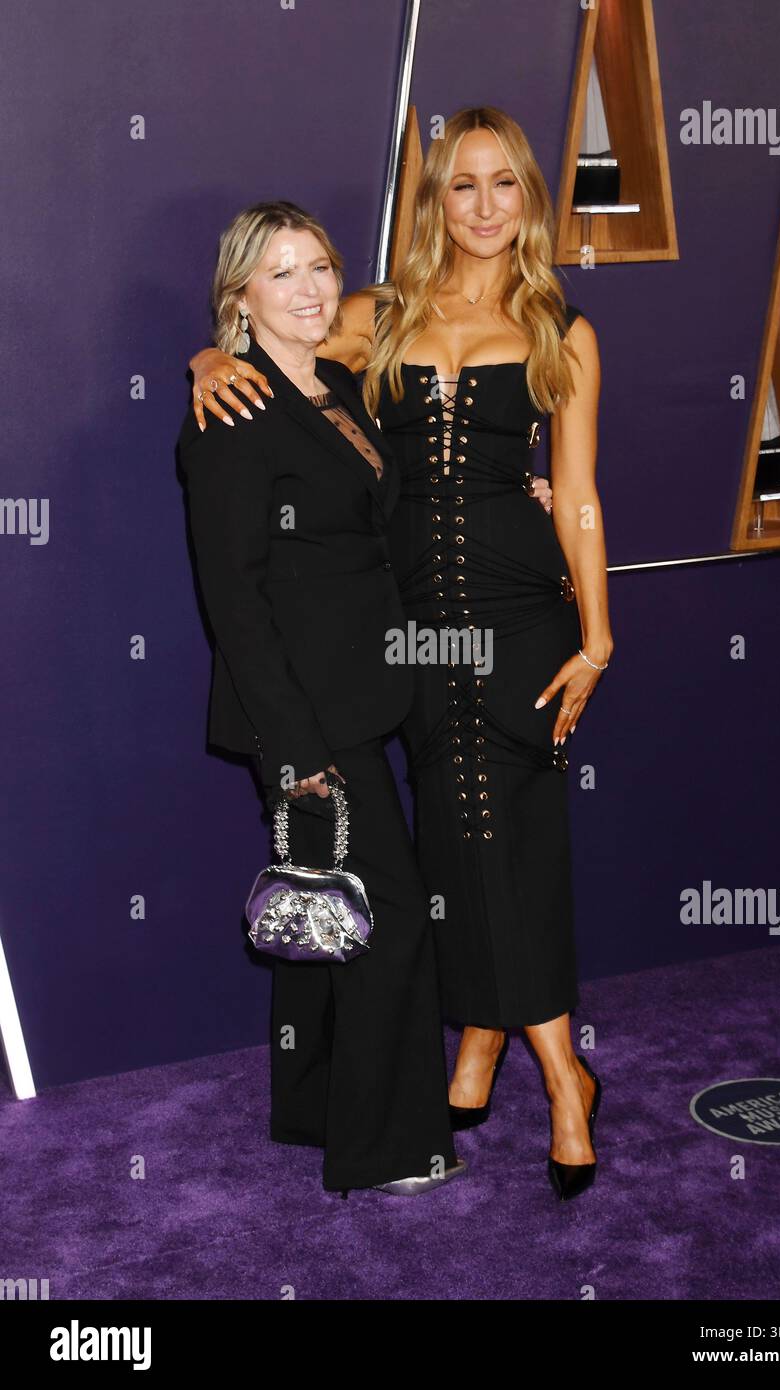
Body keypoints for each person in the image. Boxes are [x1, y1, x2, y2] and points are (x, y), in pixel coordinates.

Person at [187, 107, 612, 1200]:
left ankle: (560, 1076)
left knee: (514, 840)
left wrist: (598, 638)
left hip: (519, 620)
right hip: (408, 631)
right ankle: (478, 1044)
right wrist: (202, 357)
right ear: (435, 201)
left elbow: (575, 494)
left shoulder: (566, 332)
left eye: (501, 185)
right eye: (458, 186)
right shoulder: (378, 313)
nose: (480, 207)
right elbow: (268, 350)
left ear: (528, 198)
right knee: (444, 851)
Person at [176, 200, 465, 1197]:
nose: (308, 289)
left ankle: (310, 1106)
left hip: (366, 684)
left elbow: (414, 291)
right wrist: (295, 745)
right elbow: (234, 599)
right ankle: (390, 1148)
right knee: (387, 915)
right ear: (238, 299)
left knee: (318, 909)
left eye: (318, 267)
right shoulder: (231, 414)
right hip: (303, 709)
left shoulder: (336, 378)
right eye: (280, 274)